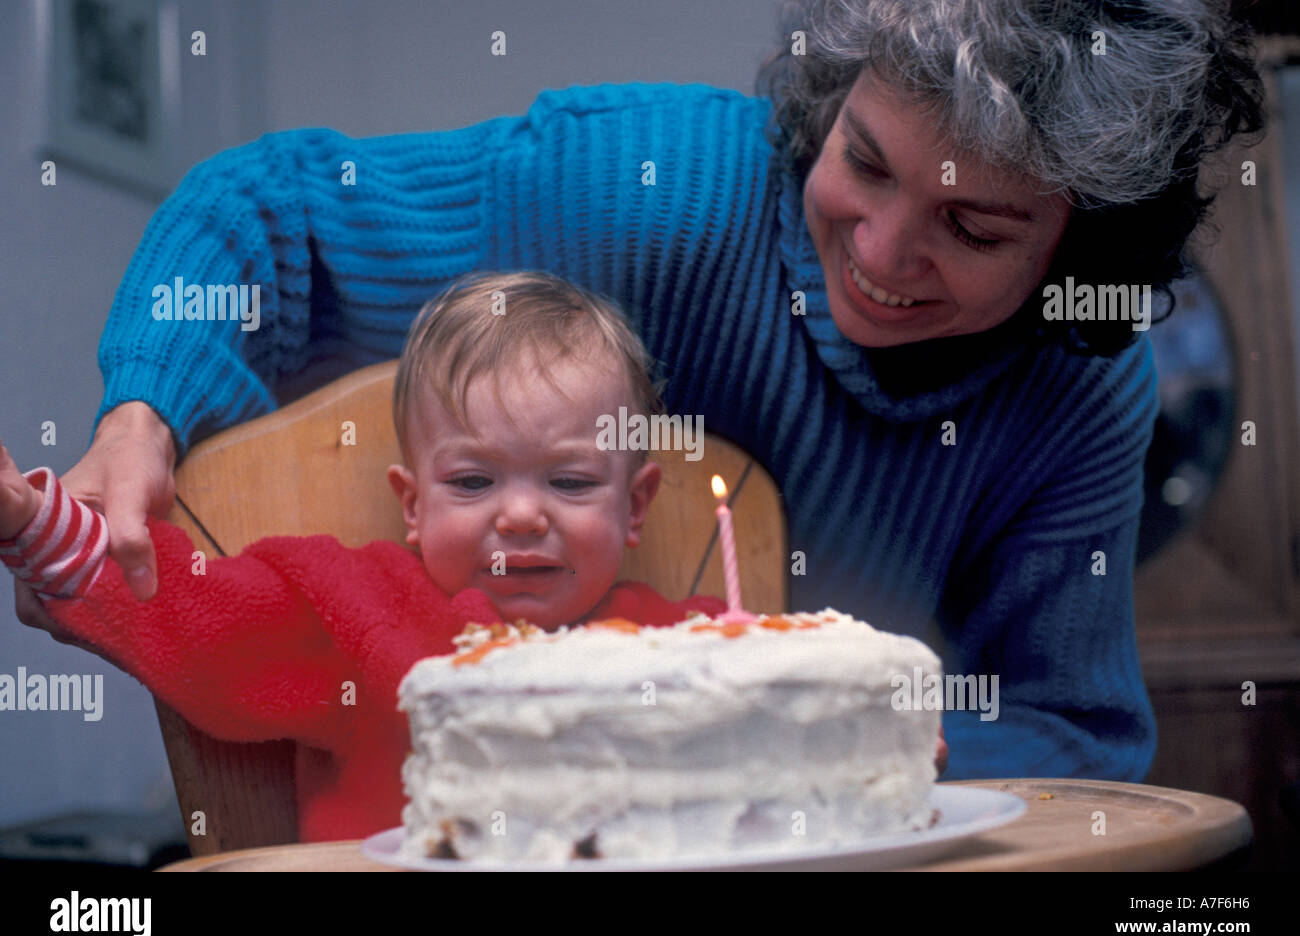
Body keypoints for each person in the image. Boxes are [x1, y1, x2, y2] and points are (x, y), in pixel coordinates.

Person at [18, 0, 1264, 781]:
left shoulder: (1083, 397)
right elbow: (272, 210)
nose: (881, 257)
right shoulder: (648, 187)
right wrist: (145, 407)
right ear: (827, 106)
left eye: (972, 227)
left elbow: (1074, 737)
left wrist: (815, 750)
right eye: (863, 163)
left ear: (1075, 253)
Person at [0, 270, 733, 841]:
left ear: (633, 505)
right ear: (414, 505)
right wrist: (39, 523)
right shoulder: (357, 609)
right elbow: (198, 615)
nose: (519, 515)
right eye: (473, 481)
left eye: (569, 481)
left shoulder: (688, 649)